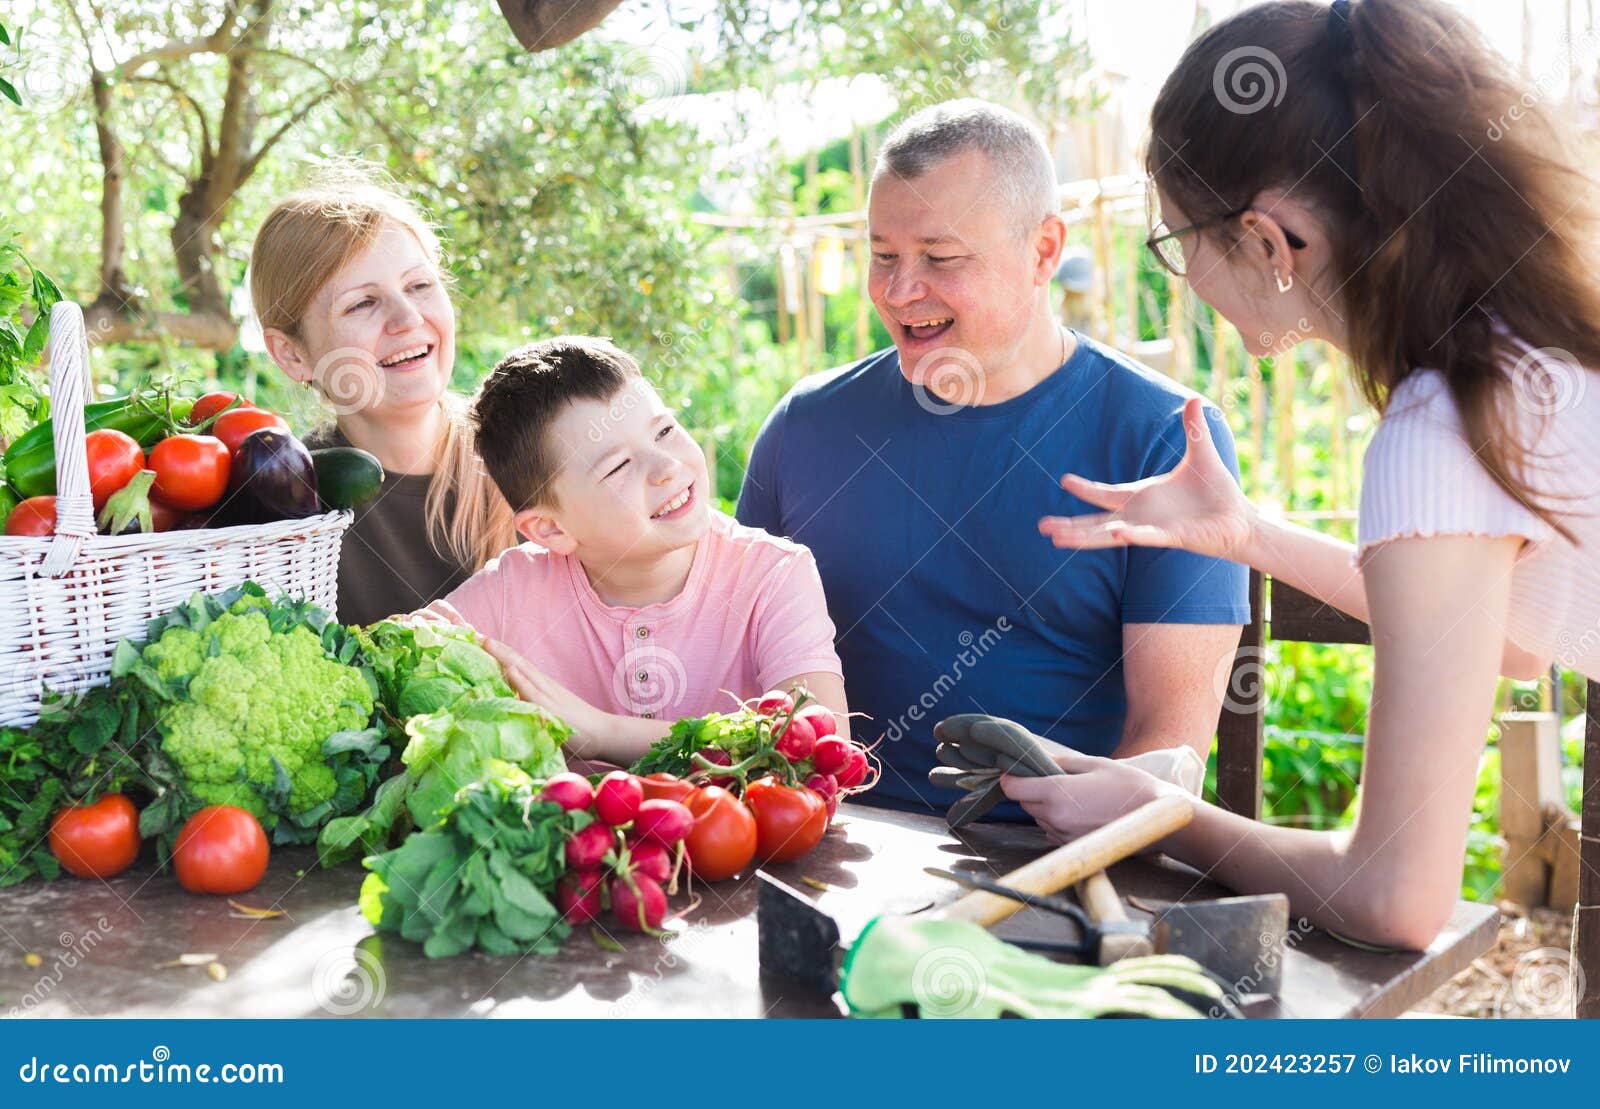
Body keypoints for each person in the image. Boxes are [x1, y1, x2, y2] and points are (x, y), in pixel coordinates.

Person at [1011, 0, 1600, 948]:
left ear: (1268, 241)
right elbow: (1512, 640)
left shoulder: (1444, 420)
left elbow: (1392, 894)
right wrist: (1249, 537)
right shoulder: (1522, 358)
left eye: (1177, 242)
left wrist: (1156, 812)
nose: (1186, 281)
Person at [737, 99, 1249, 818]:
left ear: (1043, 250)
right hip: (829, 850)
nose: (897, 289)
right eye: (883, 254)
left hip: (1051, 868)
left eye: (940, 258)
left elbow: (1167, 750)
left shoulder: (1162, 438)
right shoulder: (806, 427)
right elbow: (733, 674)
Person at [422, 337, 849, 767]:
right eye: (618, 467)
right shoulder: (509, 593)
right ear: (550, 528)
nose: (666, 467)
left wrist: (601, 733)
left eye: (664, 431)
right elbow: (400, 653)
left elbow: (818, 747)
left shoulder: (773, 575)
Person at [251, 172, 517, 626]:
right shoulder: (281, 512)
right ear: (293, 355)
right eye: (361, 304)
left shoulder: (530, 455)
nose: (407, 318)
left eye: (419, 286)